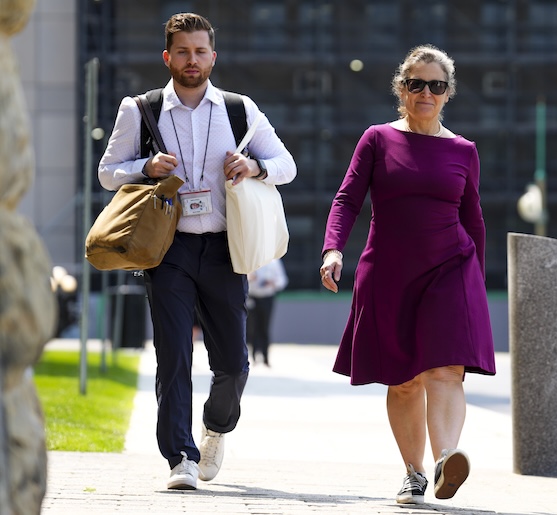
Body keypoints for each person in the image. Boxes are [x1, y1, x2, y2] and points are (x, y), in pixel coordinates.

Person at [98, 12, 296, 490]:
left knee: (233, 363)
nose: (192, 60)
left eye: (200, 51)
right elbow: (108, 172)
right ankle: (180, 458)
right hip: (167, 249)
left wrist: (252, 165)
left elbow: (285, 165)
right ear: (168, 56)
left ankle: (215, 428)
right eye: (183, 51)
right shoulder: (140, 108)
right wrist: (145, 166)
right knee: (173, 355)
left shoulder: (238, 109)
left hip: (225, 249)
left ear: (213, 56)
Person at [319, 45, 496, 505]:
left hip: (450, 267)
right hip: (390, 270)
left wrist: (476, 276)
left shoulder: (464, 151)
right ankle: (414, 472)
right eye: (417, 83)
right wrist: (333, 249)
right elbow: (347, 199)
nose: (426, 93)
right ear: (402, 88)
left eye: (436, 86)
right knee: (403, 380)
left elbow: (473, 218)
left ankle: (446, 459)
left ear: (447, 94)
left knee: (446, 370)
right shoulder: (377, 139)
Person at [246, 258, 288, 366]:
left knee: (265, 327)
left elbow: (282, 280)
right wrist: (249, 278)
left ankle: (265, 357)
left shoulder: (274, 261)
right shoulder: (251, 259)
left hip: (267, 297)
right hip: (252, 297)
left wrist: (272, 283)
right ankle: (254, 356)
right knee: (252, 327)